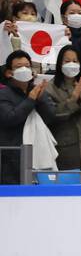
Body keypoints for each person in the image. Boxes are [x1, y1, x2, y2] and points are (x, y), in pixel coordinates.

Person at [0, 51, 57, 184]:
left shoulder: (38, 91)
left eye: (27, 66)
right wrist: (31, 99)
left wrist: (41, 99)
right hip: (11, 158)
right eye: (19, 66)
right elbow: (9, 118)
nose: (24, 69)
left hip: (39, 153)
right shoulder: (4, 94)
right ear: (9, 73)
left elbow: (50, 118)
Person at [45, 47, 81, 170]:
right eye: (67, 61)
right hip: (66, 148)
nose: (71, 64)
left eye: (75, 61)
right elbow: (52, 114)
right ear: (60, 63)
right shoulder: (50, 88)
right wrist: (73, 100)